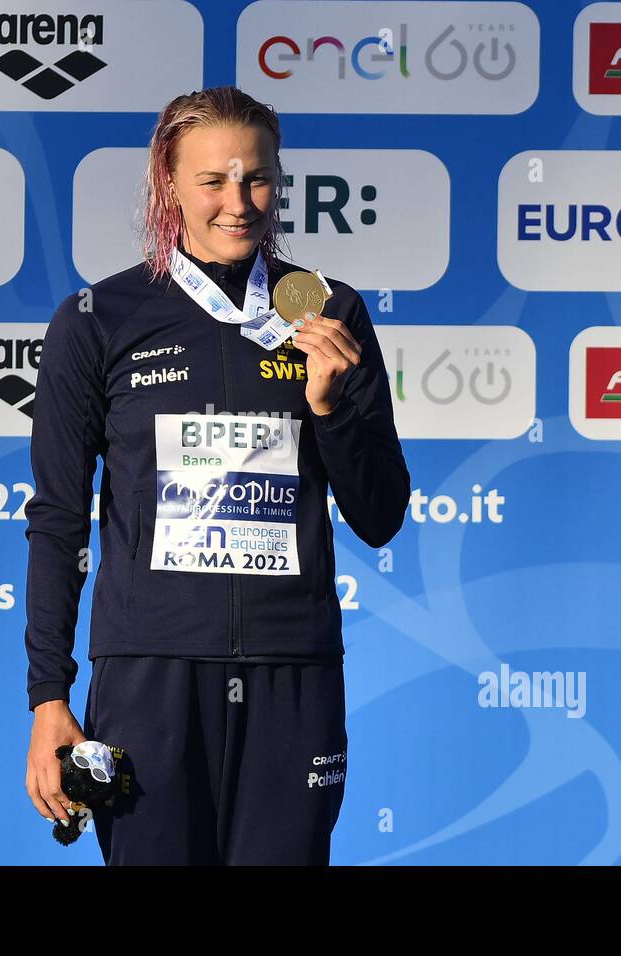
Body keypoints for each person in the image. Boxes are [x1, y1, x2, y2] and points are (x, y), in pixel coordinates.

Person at [23, 86, 410, 865]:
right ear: (168, 183)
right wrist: (48, 697)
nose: (239, 203)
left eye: (257, 178)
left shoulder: (329, 312)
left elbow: (380, 514)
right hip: (150, 675)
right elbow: (60, 518)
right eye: (213, 181)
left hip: (290, 671)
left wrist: (329, 410)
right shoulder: (99, 318)